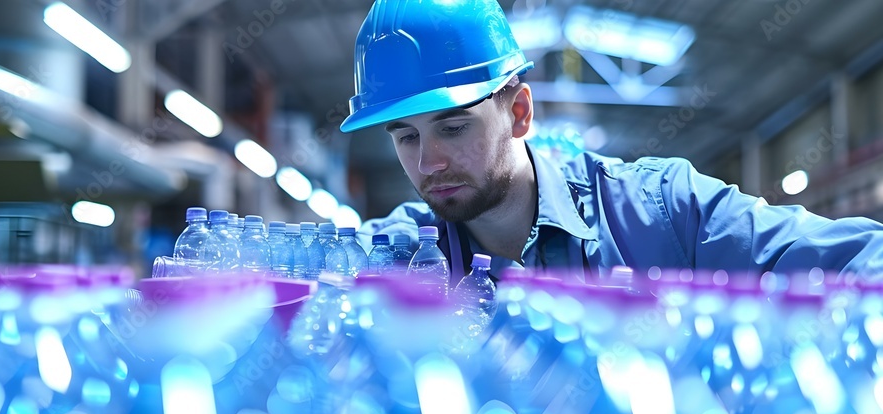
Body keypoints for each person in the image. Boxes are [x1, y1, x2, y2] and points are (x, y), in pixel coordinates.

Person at [339, 0, 883, 284]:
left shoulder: (665, 212)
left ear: (520, 112)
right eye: (406, 137)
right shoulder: (396, 253)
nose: (428, 161)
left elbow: (858, 258)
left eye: (453, 127)